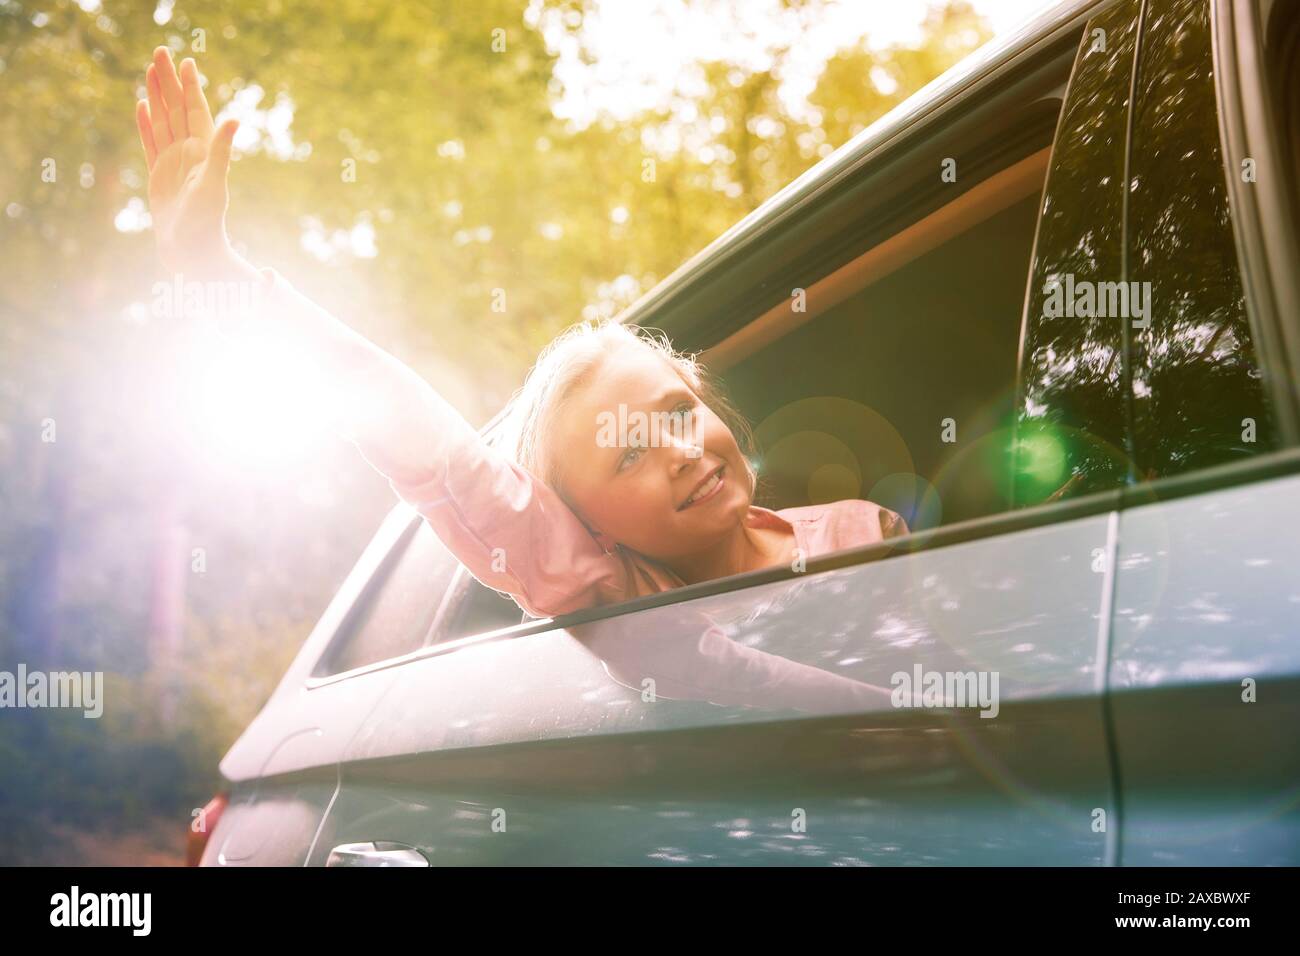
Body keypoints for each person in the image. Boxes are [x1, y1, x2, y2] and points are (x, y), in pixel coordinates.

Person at [134, 47, 909, 624]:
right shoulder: (615, 597)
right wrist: (217, 271)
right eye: (629, 452)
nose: (678, 451)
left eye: (676, 414)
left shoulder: (868, 531)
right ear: (589, 529)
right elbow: (435, 449)